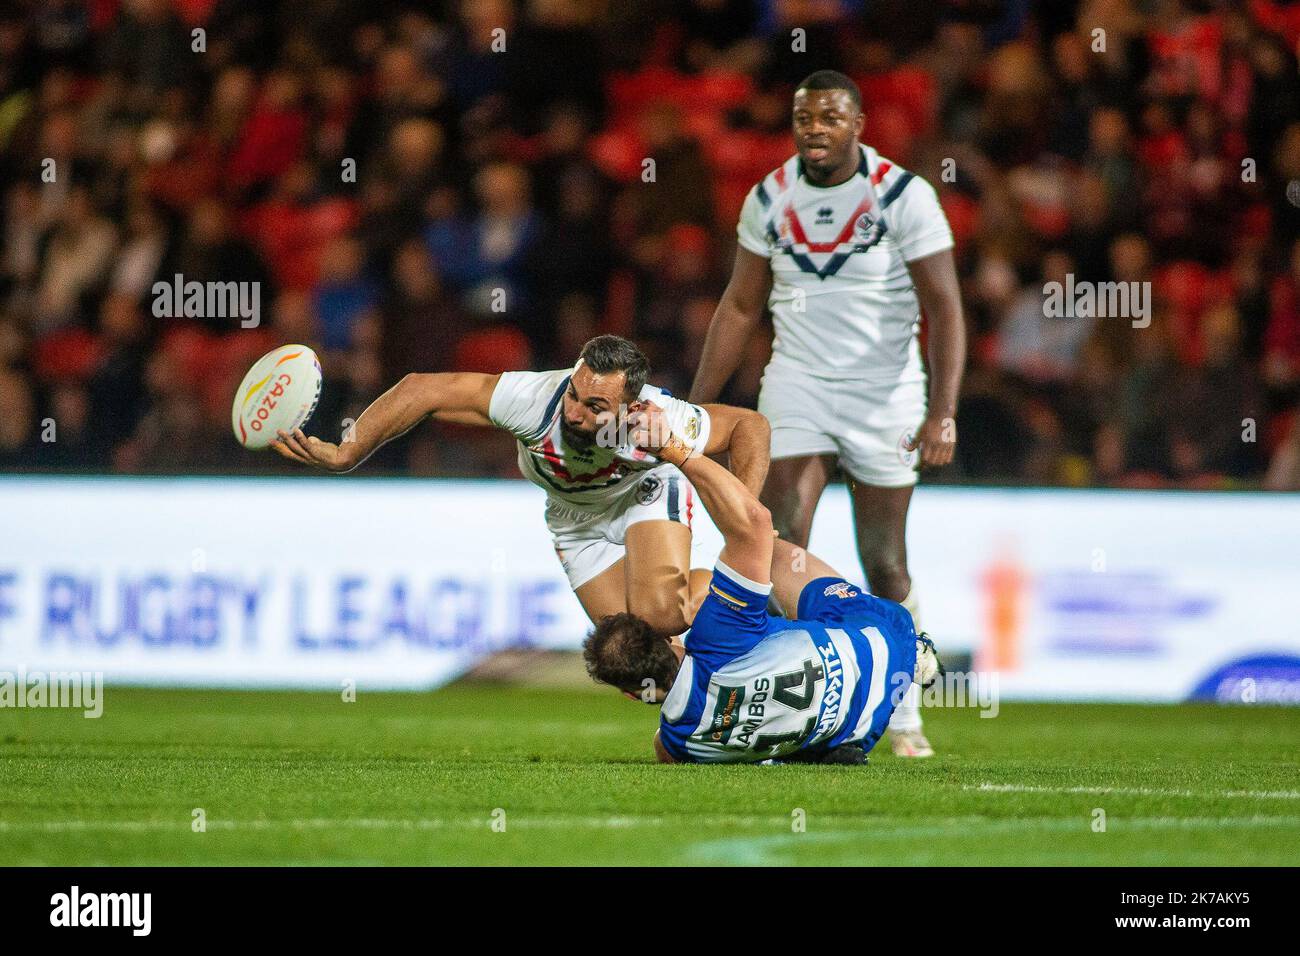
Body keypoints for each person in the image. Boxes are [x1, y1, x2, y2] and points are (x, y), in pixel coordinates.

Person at [688, 70, 965, 756]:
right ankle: (790, 702)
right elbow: (742, 305)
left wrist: (944, 411)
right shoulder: (769, 197)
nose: (816, 129)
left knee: (885, 563)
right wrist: (696, 403)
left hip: (886, 392)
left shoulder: (904, 196)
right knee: (782, 538)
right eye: (804, 117)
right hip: (799, 382)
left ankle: (904, 716)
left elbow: (946, 309)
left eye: (831, 117)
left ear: (860, 124)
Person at [272, 334, 769, 636]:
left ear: (629, 406)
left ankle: (729, 592)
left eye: (595, 407)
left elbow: (751, 426)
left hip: (643, 495)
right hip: (571, 516)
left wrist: (741, 531)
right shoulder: (533, 400)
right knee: (631, 659)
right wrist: (346, 452)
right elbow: (423, 388)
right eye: (575, 394)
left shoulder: (658, 421)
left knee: (661, 614)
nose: (574, 412)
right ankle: (723, 692)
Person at [582, 400, 941, 765]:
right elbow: (755, 522)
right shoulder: (716, 635)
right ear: (666, 637)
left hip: (859, 728)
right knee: (770, 551)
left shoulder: (676, 743)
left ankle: (815, 749)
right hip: (886, 643)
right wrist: (674, 449)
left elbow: (665, 743)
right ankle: (916, 649)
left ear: (633, 695)